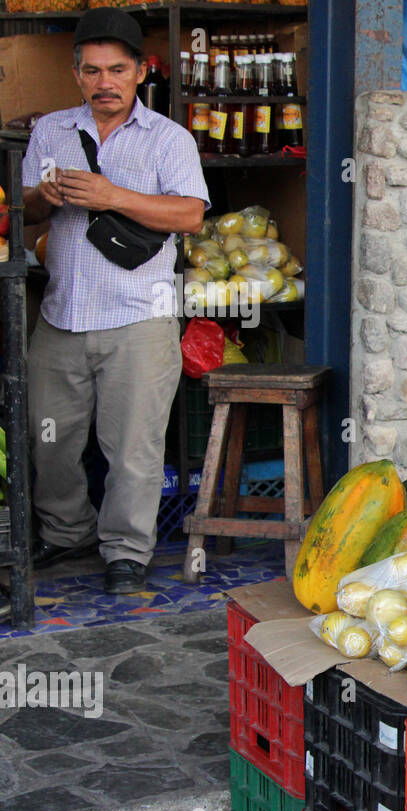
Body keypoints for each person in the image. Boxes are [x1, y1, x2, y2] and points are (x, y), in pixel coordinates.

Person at [21, 8, 209, 594]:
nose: (105, 82)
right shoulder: (49, 131)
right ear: (77, 73)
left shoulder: (168, 139)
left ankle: (126, 552)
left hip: (138, 319)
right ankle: (67, 530)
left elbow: (190, 214)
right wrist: (44, 196)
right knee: (47, 436)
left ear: (140, 72)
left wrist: (110, 194)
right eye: (93, 71)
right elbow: (22, 213)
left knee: (132, 449)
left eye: (118, 70)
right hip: (62, 315)